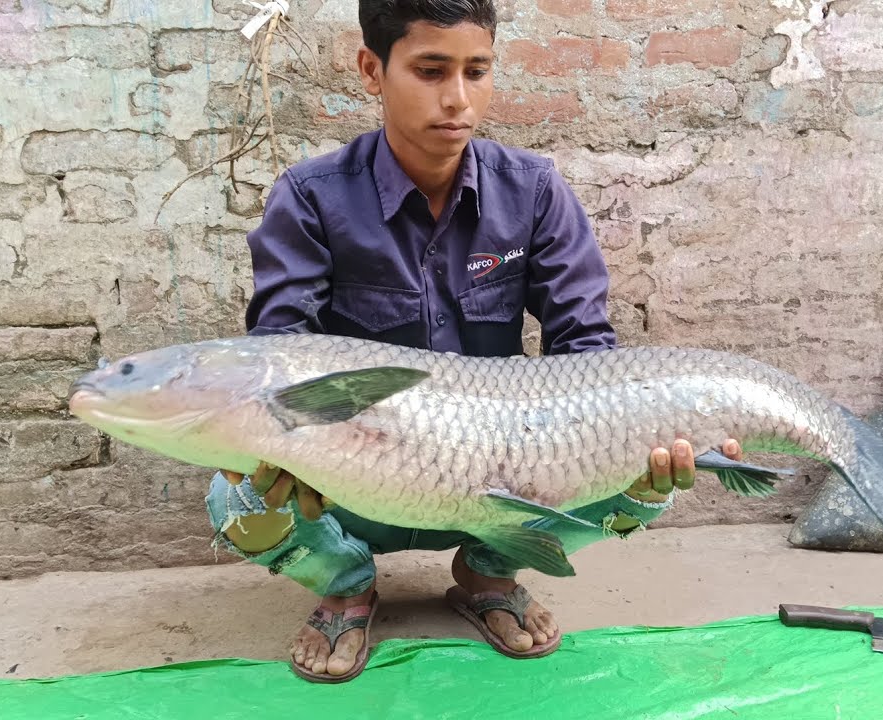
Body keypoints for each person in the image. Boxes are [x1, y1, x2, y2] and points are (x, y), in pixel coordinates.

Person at [202, 0, 744, 682]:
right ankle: (344, 583)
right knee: (237, 497)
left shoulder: (536, 194)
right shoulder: (311, 199)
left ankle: (488, 573)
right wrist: (285, 448)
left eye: (476, 71)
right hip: (360, 482)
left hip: (506, 484)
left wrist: (625, 440)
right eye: (430, 70)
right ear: (373, 69)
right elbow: (281, 357)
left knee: (648, 475)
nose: (457, 99)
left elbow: (588, 355)